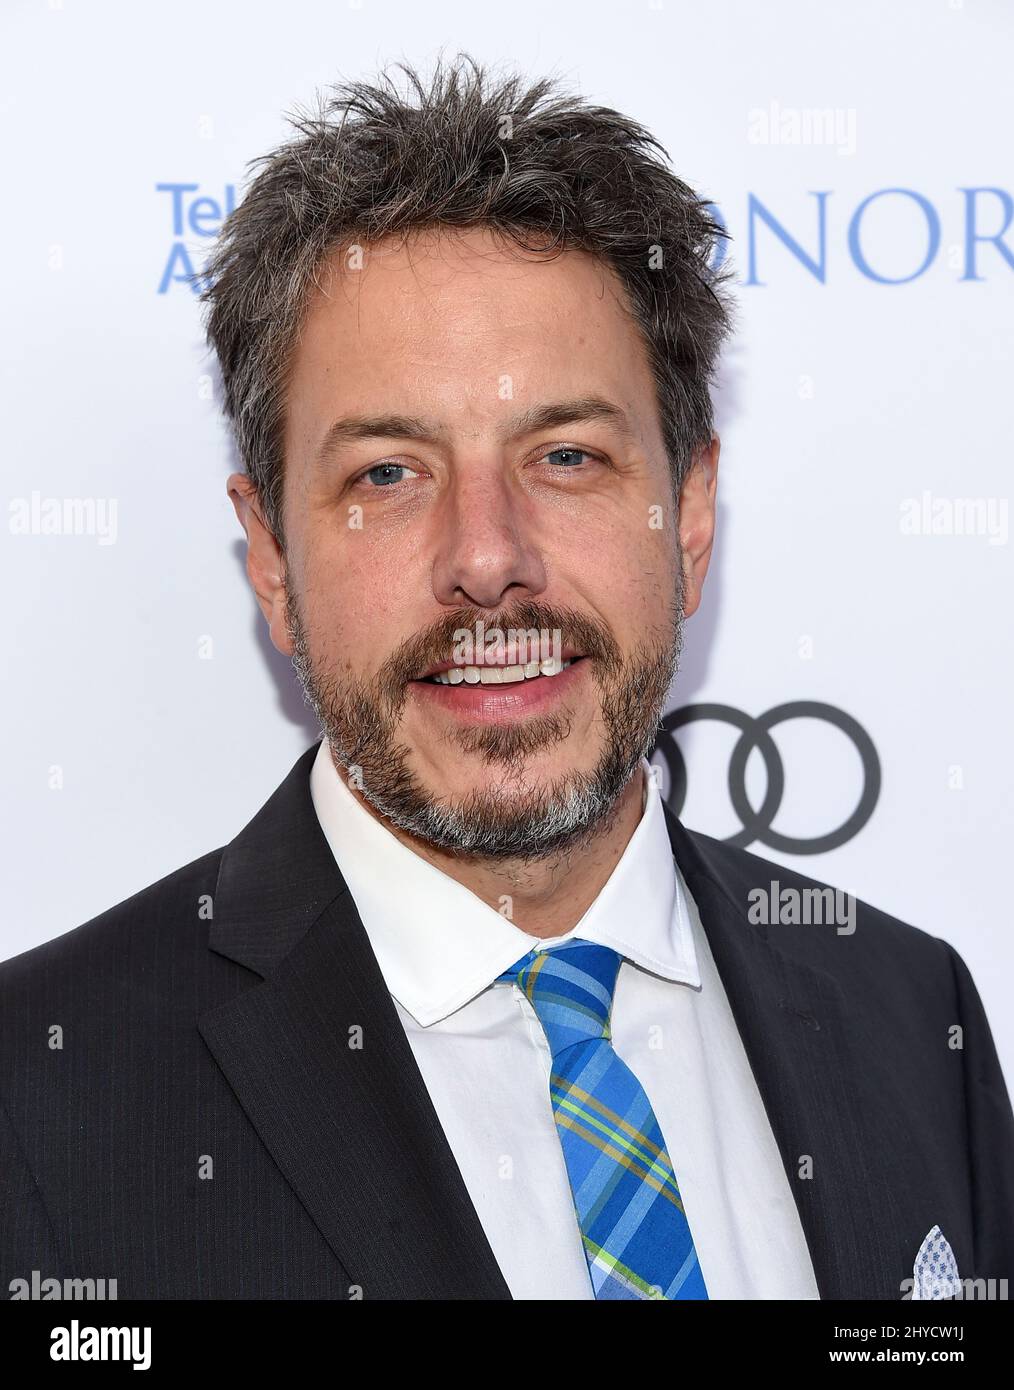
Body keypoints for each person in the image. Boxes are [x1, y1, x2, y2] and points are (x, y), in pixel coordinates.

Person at [2, 54, 1012, 1302]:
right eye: (388, 473)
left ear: (688, 518)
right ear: (270, 558)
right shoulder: (38, 1103)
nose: (488, 561)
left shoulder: (913, 1014)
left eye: (568, 455)